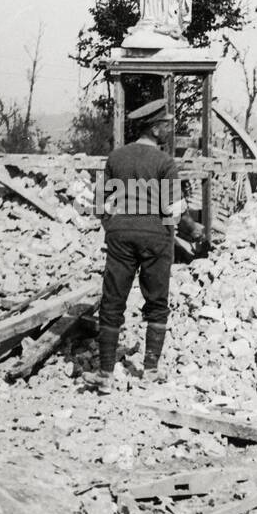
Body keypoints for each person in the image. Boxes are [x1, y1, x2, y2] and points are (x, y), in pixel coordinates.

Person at [92, 98, 187, 392]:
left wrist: (114, 226)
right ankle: (149, 371)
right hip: (155, 236)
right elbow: (173, 210)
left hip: (120, 234)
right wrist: (167, 237)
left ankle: (105, 374)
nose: (170, 130)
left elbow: (99, 204)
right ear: (155, 129)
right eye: (167, 125)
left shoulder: (115, 158)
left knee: (112, 301)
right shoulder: (164, 162)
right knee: (156, 302)